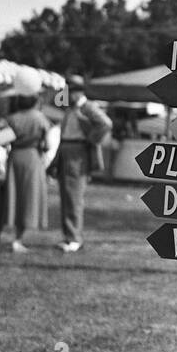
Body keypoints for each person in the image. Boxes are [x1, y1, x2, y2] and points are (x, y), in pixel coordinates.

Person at [51, 75, 111, 253]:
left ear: (76, 92)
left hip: (78, 152)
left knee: (74, 196)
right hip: (67, 150)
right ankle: (69, 235)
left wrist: (90, 140)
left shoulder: (88, 107)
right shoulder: (71, 108)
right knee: (66, 195)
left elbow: (106, 124)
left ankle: (74, 238)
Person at [0, 87, 51, 253]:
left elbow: (2, 140)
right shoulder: (41, 119)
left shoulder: (13, 118)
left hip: (15, 157)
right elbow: (47, 145)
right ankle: (17, 239)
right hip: (32, 159)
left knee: (7, 197)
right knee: (27, 199)